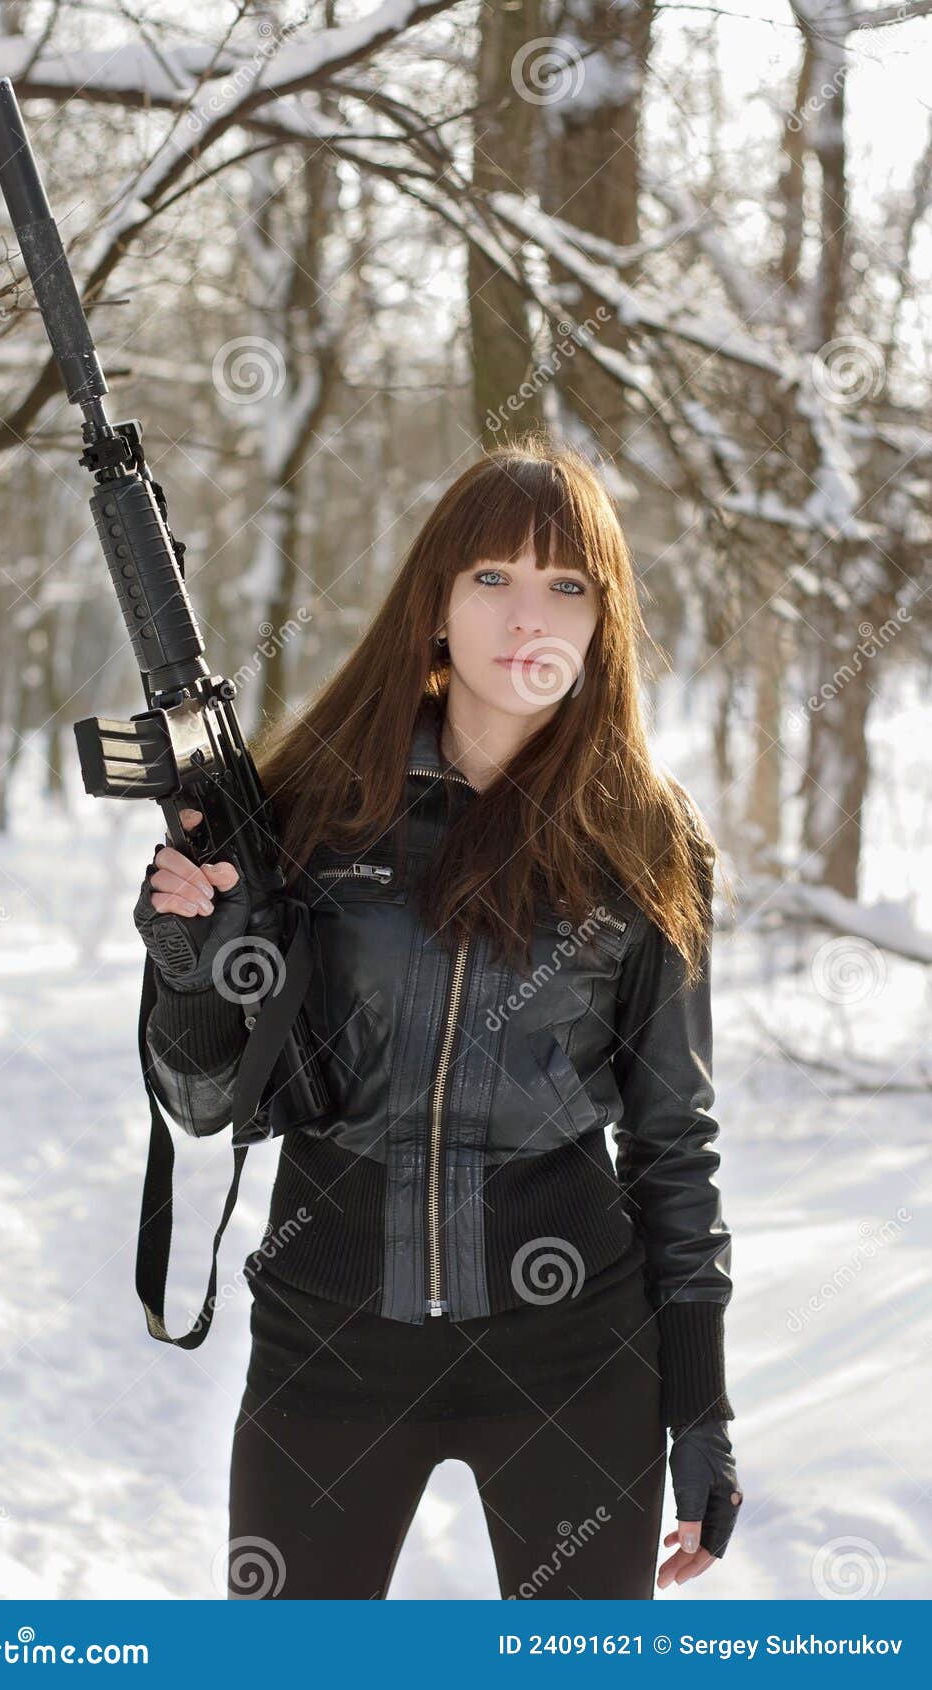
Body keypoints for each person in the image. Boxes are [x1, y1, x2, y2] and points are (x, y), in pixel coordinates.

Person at [132, 435, 743, 1600]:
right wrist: (190, 962)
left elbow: (672, 1140)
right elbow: (205, 1100)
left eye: (566, 585)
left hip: (573, 1356)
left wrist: (700, 1407)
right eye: (491, 576)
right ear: (435, 604)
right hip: (329, 1341)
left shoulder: (644, 834)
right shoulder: (313, 808)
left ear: (602, 621)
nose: (528, 615)